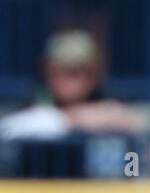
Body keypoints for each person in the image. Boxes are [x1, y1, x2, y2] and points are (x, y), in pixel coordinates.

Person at [0, 31, 133, 140]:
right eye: (61, 70)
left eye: (78, 70)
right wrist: (67, 119)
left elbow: (123, 121)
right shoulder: (37, 97)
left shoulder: (104, 98)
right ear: (47, 71)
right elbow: (9, 128)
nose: (68, 79)